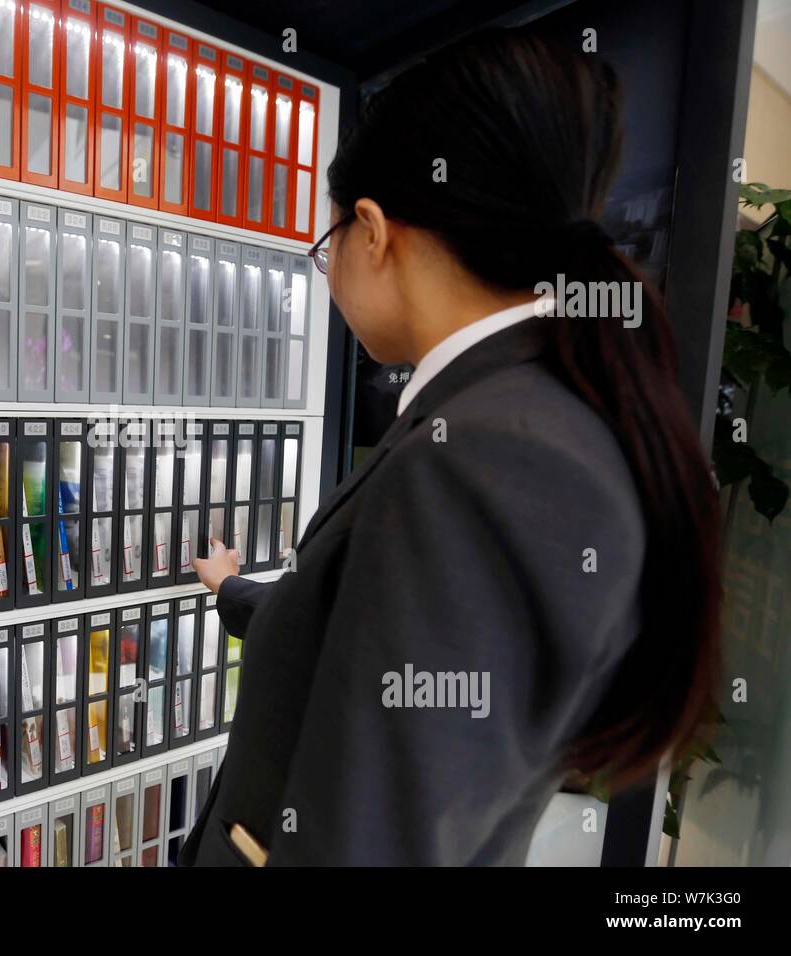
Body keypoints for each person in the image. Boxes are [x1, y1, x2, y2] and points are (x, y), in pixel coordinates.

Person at [180, 28, 720, 866]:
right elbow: (366, 638)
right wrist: (236, 591)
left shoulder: (490, 461)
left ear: (373, 230)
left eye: (326, 249)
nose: (330, 276)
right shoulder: (521, 416)